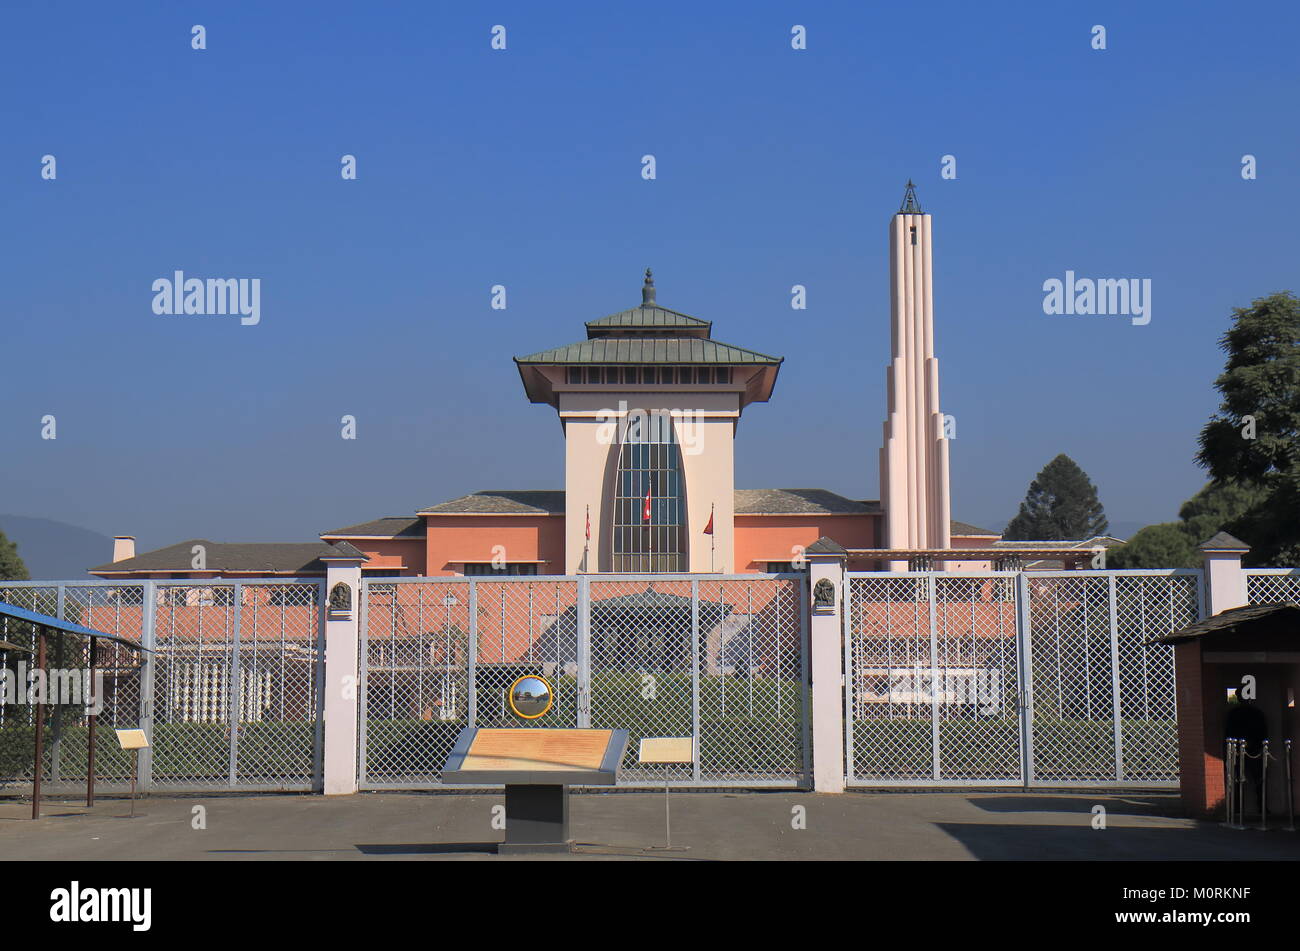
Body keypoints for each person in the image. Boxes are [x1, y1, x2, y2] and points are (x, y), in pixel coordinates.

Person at [1224, 688, 1268, 818]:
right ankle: (1262, 806)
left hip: (1237, 749)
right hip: (1254, 749)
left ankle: (1237, 807)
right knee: (1259, 780)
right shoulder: (1256, 713)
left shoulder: (1233, 713)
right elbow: (1264, 732)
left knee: (1237, 779)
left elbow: (1228, 732)